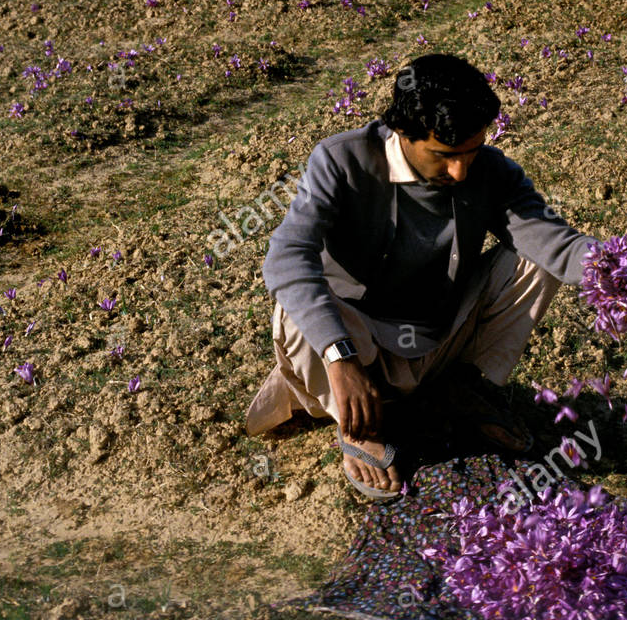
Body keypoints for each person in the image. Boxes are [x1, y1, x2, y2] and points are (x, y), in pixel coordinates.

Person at [250, 53, 600, 500]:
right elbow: (285, 258)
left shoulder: (490, 171)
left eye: (471, 153)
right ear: (403, 132)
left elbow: (554, 242)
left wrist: (609, 266)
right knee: (296, 308)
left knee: (536, 260)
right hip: (360, 344)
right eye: (444, 155)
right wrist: (340, 357)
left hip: (439, 337)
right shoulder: (343, 161)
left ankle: (461, 390)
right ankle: (356, 426)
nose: (460, 171)